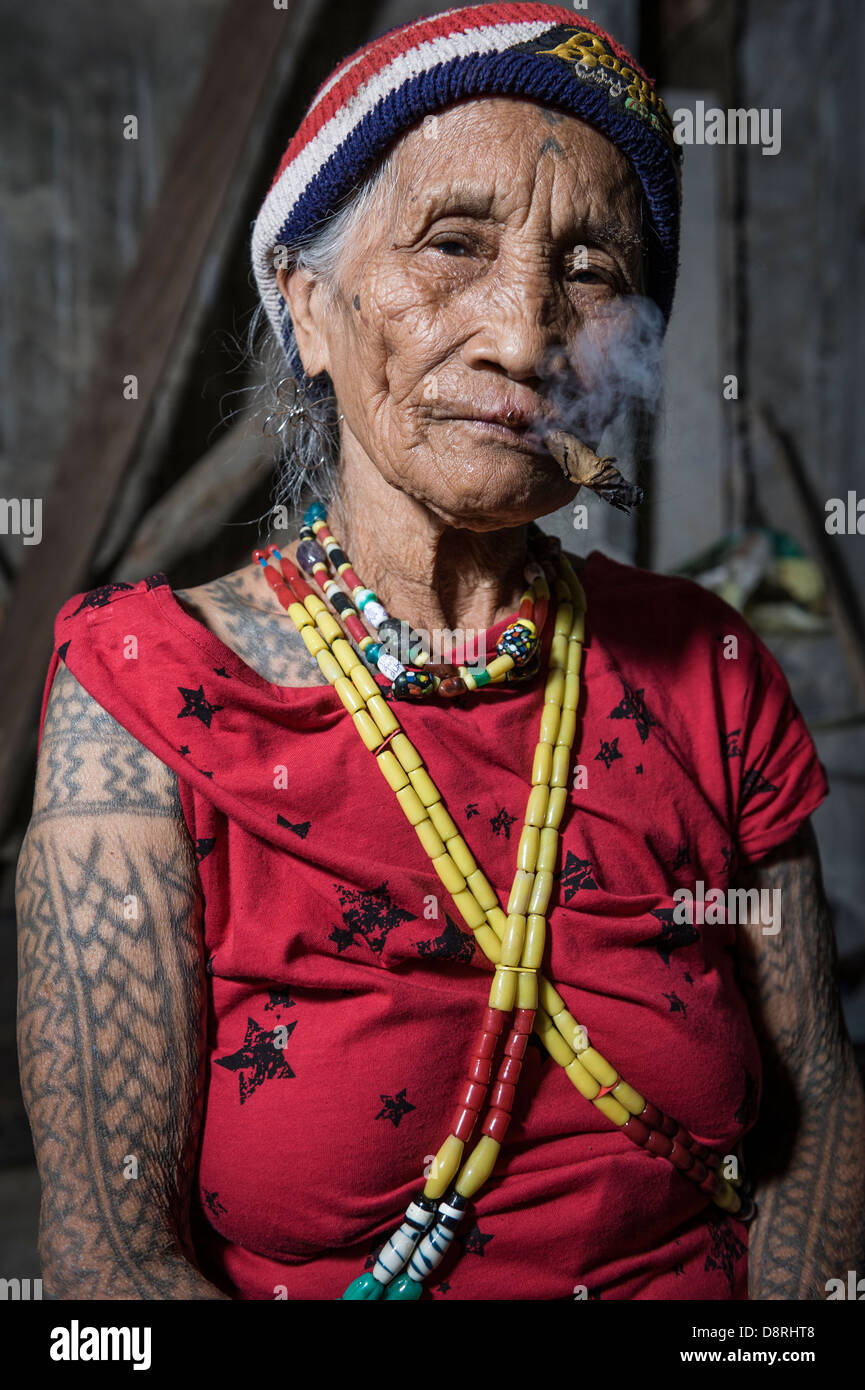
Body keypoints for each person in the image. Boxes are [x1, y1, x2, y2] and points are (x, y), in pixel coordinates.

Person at [16, 4, 864, 1301]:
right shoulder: (148, 693)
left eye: (589, 272)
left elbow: (816, 1125)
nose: (524, 337)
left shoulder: (708, 671)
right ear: (307, 306)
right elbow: (105, 1267)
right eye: (452, 245)